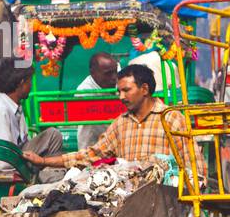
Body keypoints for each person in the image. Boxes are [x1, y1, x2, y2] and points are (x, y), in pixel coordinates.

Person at [23, 63, 175, 168]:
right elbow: (91, 155)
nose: (121, 97)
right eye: (119, 92)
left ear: (144, 89)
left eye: (126, 90)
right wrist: (43, 161)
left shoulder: (171, 119)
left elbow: (192, 161)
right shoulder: (121, 124)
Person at [0, 58, 65, 181]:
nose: (30, 86)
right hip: (7, 167)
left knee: (53, 135)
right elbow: (2, 164)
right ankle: (50, 178)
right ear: (21, 82)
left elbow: (23, 143)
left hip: (18, 156)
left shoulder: (15, 106)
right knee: (57, 172)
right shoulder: (0, 110)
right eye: (29, 81)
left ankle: (52, 177)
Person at [75, 52, 119, 150]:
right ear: (93, 72)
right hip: (92, 145)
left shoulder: (120, 79)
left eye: (115, 72)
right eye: (108, 74)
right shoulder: (84, 91)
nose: (114, 77)